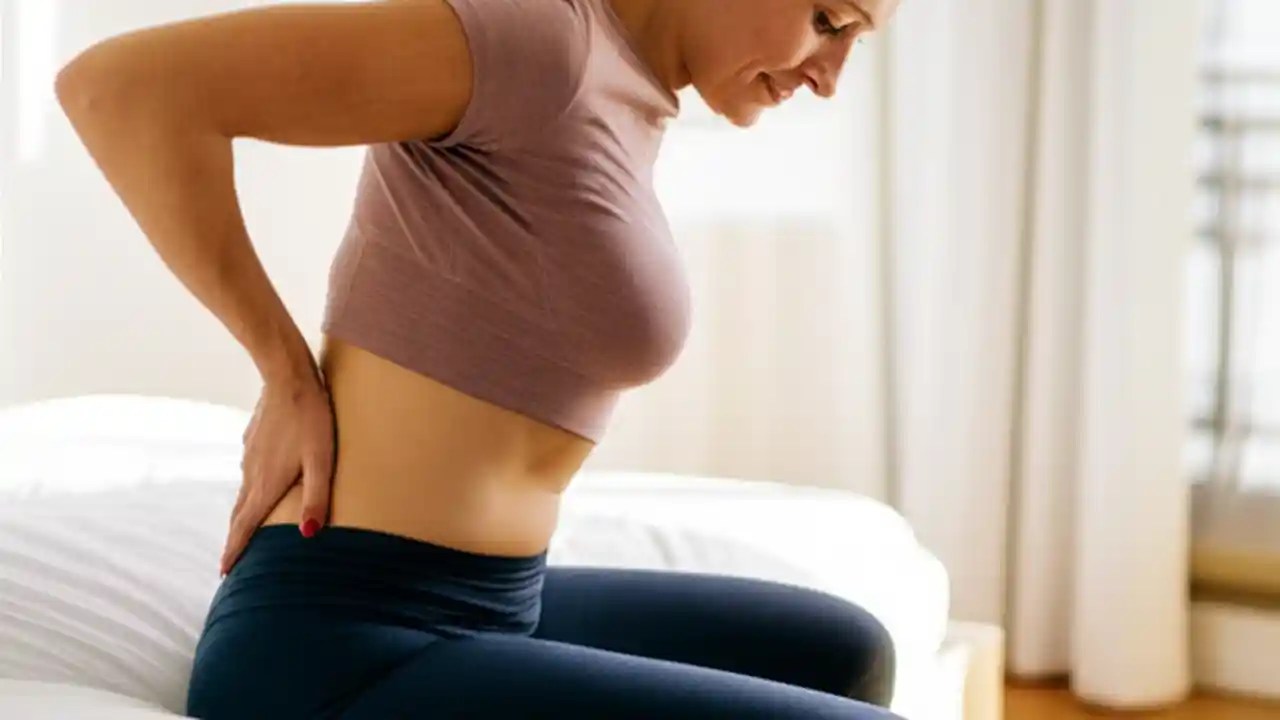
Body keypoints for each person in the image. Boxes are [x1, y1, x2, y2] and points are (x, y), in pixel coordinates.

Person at [56, 0, 905, 717]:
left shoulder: (623, 83)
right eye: (828, 20)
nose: (828, 76)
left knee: (845, 650)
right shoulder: (533, 37)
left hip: (496, 601)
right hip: (336, 643)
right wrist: (283, 372)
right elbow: (120, 89)